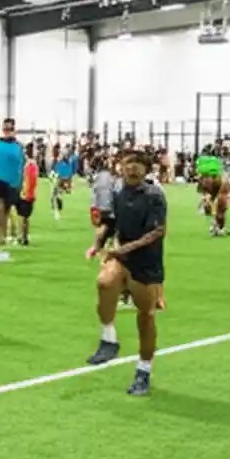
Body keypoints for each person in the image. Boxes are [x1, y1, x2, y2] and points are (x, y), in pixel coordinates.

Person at [85, 150, 168, 397]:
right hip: (123, 258)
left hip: (146, 264)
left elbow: (157, 232)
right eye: (127, 163)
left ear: (146, 169)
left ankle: (144, 370)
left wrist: (121, 249)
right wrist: (97, 245)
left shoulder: (155, 196)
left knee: (145, 317)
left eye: (137, 164)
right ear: (120, 167)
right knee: (104, 282)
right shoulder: (117, 194)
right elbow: (110, 224)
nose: (132, 168)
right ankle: (109, 340)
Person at [0, 118, 25, 262]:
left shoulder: (17, 147)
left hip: (11, 185)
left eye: (10, 129)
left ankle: (0, 239)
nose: (8, 131)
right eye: (6, 129)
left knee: (5, 212)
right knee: (0, 211)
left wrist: (20, 185)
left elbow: (20, 167)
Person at [16, 146, 39, 246]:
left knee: (23, 216)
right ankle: (23, 236)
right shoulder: (29, 165)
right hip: (28, 194)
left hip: (25, 194)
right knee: (24, 217)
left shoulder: (29, 166)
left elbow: (30, 181)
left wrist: (25, 192)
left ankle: (23, 237)